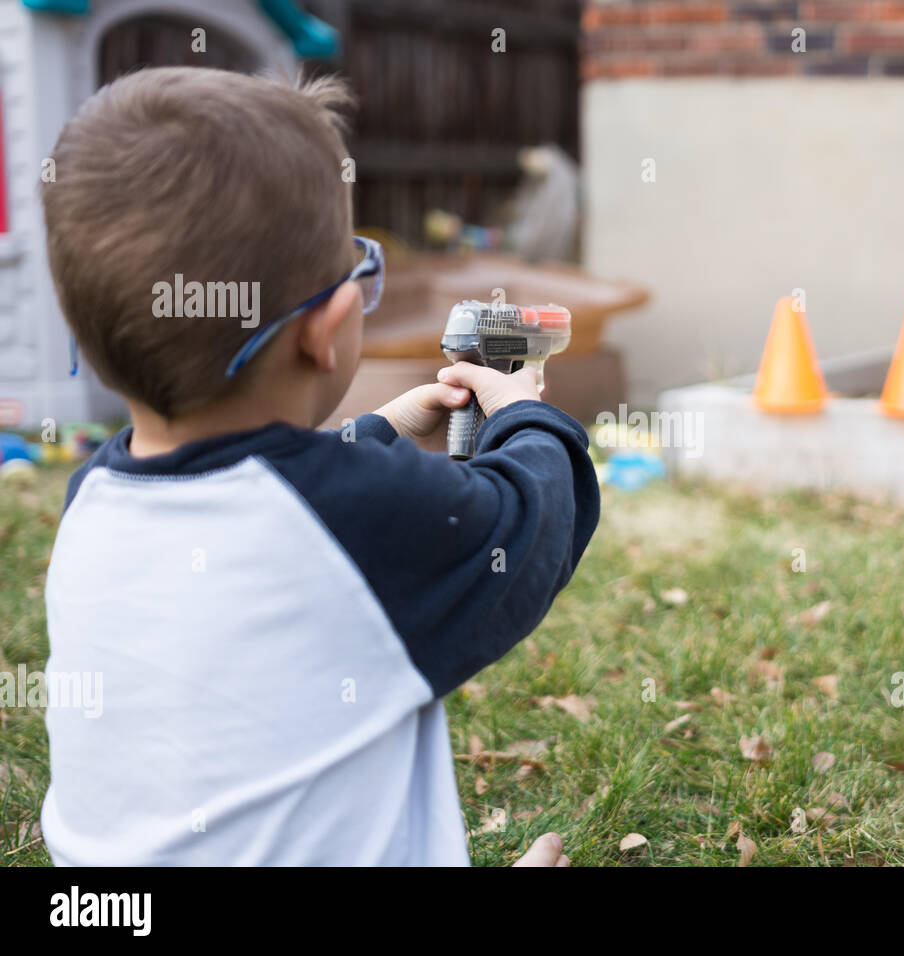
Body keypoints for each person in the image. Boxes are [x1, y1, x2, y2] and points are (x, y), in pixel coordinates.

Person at [38, 67, 598, 866]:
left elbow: (287, 499)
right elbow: (536, 522)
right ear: (329, 328)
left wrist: (378, 434)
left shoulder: (92, 500)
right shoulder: (355, 514)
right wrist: (523, 412)